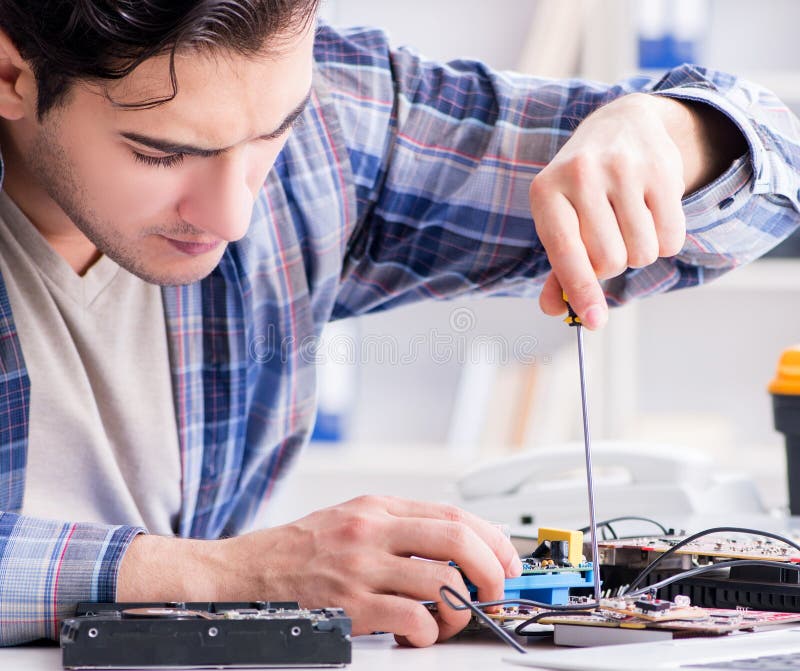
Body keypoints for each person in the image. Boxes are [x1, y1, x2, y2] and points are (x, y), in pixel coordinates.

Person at [0, 0, 796, 649]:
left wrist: (667, 135)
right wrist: (224, 574)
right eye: (163, 153)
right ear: (11, 73)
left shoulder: (341, 127)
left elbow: (770, 177)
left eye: (274, 131)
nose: (236, 214)